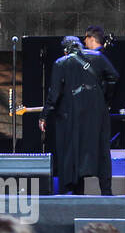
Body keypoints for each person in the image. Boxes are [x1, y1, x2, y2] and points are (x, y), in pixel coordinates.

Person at [40, 35, 118, 195]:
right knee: (101, 149)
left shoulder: (61, 63)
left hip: (71, 115)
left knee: (72, 149)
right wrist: (104, 98)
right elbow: (113, 77)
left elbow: (54, 94)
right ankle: (106, 190)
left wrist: (44, 115)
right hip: (98, 113)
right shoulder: (98, 57)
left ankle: (74, 191)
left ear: (65, 50)